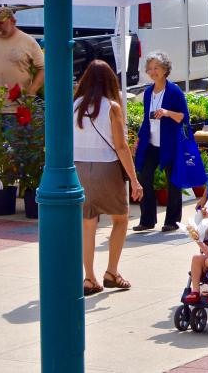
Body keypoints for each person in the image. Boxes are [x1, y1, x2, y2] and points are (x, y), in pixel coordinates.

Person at [72, 60, 142, 295]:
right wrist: (134, 179)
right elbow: (121, 147)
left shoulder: (75, 105)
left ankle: (89, 277)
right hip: (107, 168)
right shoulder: (112, 107)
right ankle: (112, 271)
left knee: (88, 224)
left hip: (79, 168)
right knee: (120, 219)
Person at [133, 51, 187, 232]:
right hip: (151, 142)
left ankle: (172, 221)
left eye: (157, 68)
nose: (153, 71)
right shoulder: (148, 92)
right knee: (144, 176)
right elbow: (145, 120)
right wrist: (138, 140)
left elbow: (183, 117)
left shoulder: (174, 91)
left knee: (173, 181)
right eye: (150, 68)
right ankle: (147, 220)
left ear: (165, 69)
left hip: (169, 142)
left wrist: (166, 113)